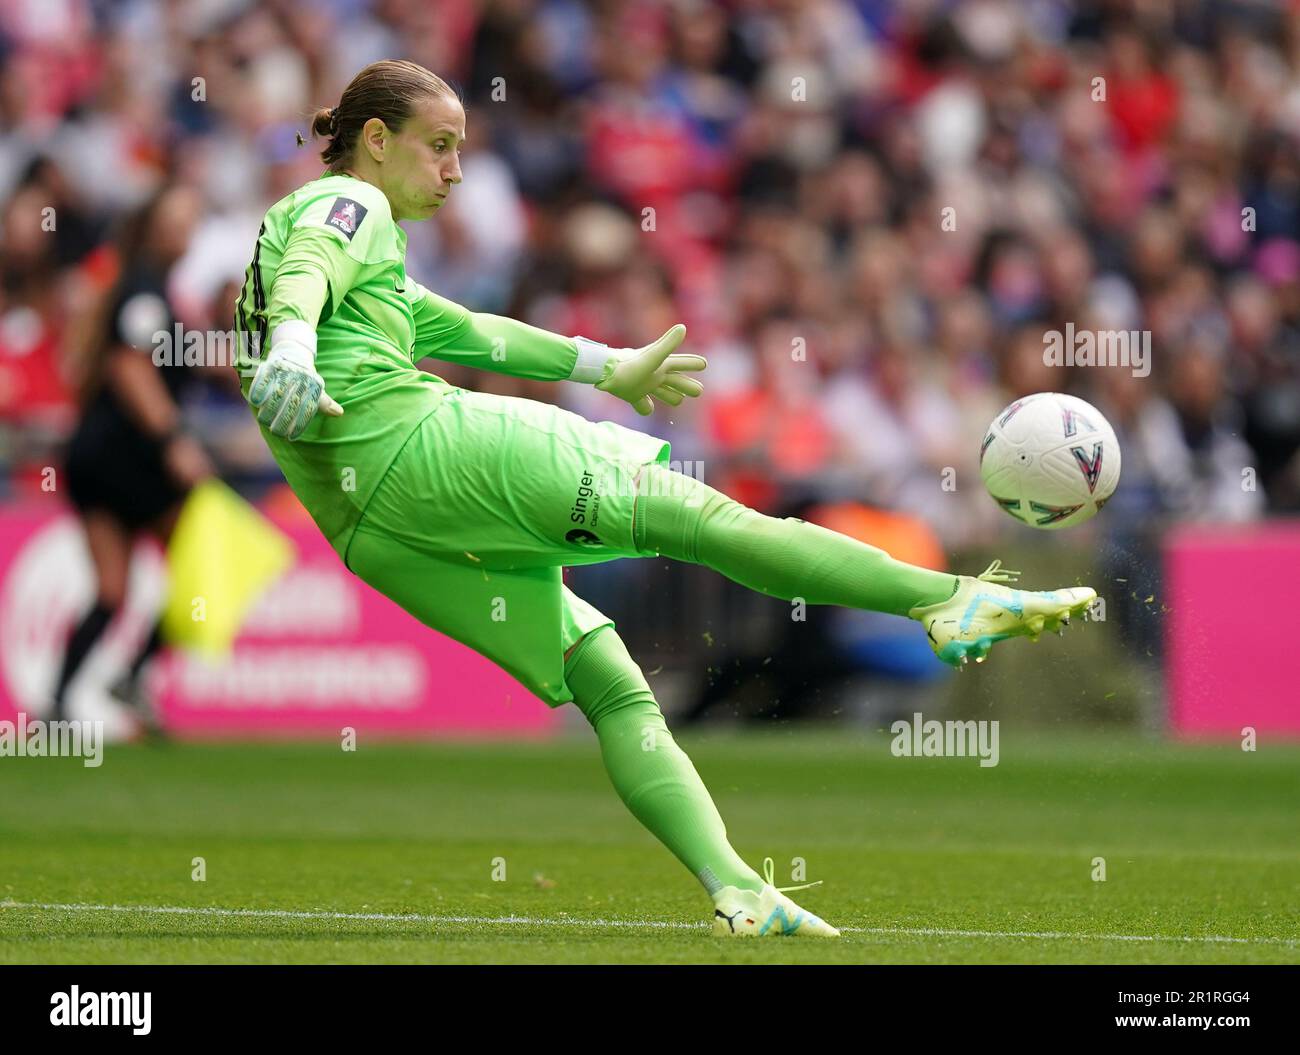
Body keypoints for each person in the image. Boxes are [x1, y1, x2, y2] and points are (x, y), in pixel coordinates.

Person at [234, 60, 1095, 938]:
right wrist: (295, 346)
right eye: (441, 147)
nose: (455, 171)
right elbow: (313, 268)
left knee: (610, 684)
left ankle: (737, 890)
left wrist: (610, 366)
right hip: (428, 451)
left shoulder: (318, 242)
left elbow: (468, 328)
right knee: (707, 518)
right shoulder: (349, 207)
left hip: (374, 534)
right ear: (375, 141)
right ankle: (948, 599)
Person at [55, 183, 214, 731]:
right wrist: (173, 439)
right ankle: (130, 675)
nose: (189, 228)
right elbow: (131, 367)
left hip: (104, 458)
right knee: (206, 556)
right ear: (154, 227)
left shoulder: (151, 288)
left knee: (112, 591)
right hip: (123, 458)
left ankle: (58, 706)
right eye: (180, 218)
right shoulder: (145, 290)